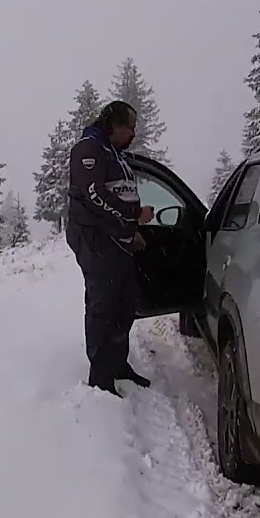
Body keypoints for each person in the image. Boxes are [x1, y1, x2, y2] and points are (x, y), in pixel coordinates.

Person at [65, 100, 155, 396]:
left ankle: (118, 364)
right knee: (103, 306)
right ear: (113, 125)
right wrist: (132, 216)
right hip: (95, 239)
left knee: (124, 304)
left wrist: (133, 230)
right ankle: (100, 378)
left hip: (119, 239)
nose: (133, 133)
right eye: (130, 127)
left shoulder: (116, 154)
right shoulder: (88, 149)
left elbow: (122, 193)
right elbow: (94, 194)